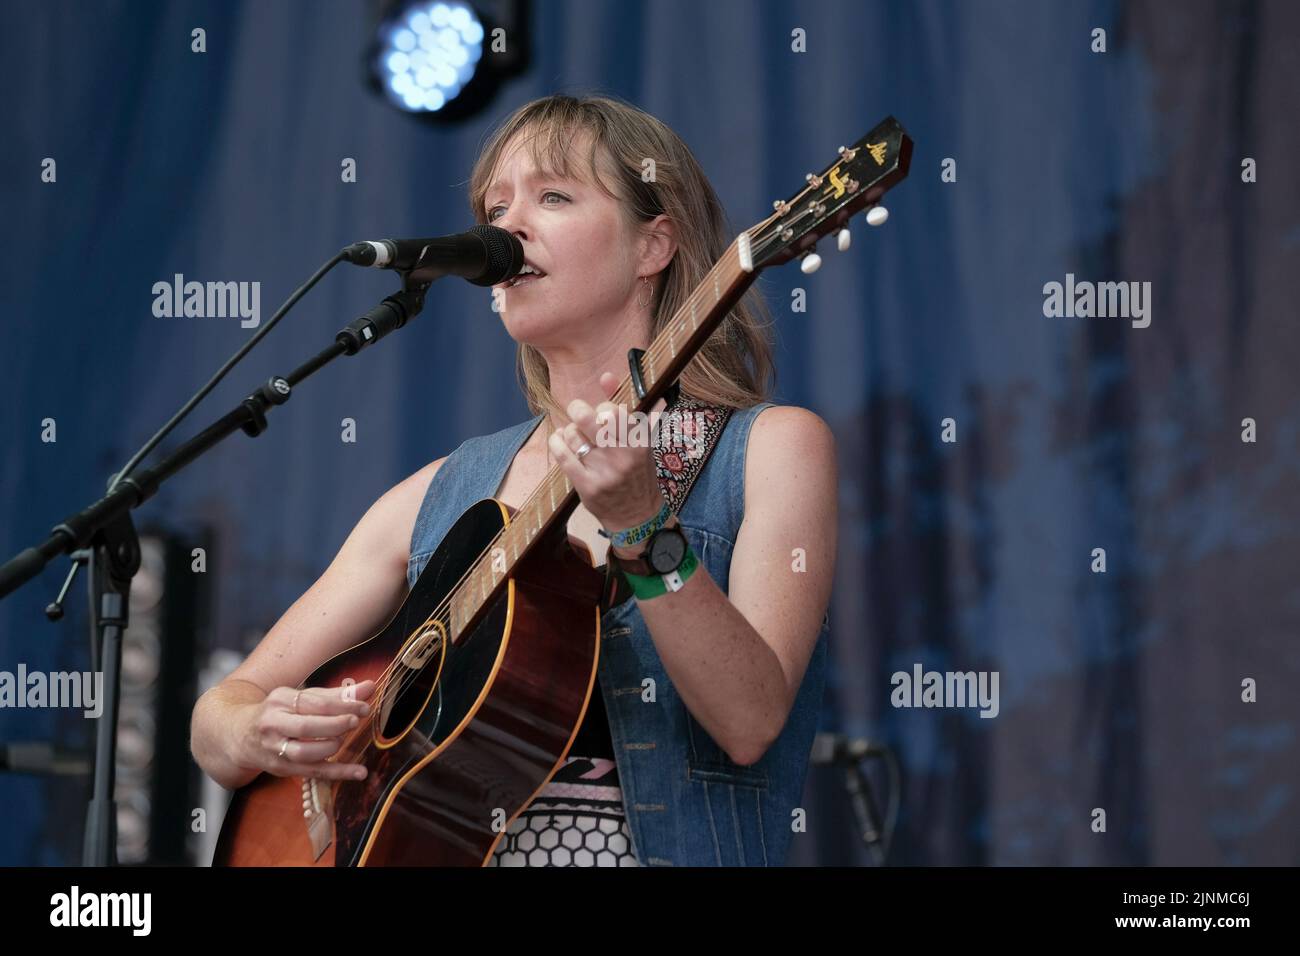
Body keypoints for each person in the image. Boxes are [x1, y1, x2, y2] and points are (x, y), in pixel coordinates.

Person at [191, 93, 836, 867]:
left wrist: (643, 529)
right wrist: (254, 731)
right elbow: (221, 716)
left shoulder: (770, 450)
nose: (507, 228)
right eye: (496, 207)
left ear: (653, 244)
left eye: (554, 196)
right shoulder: (438, 491)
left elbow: (750, 718)